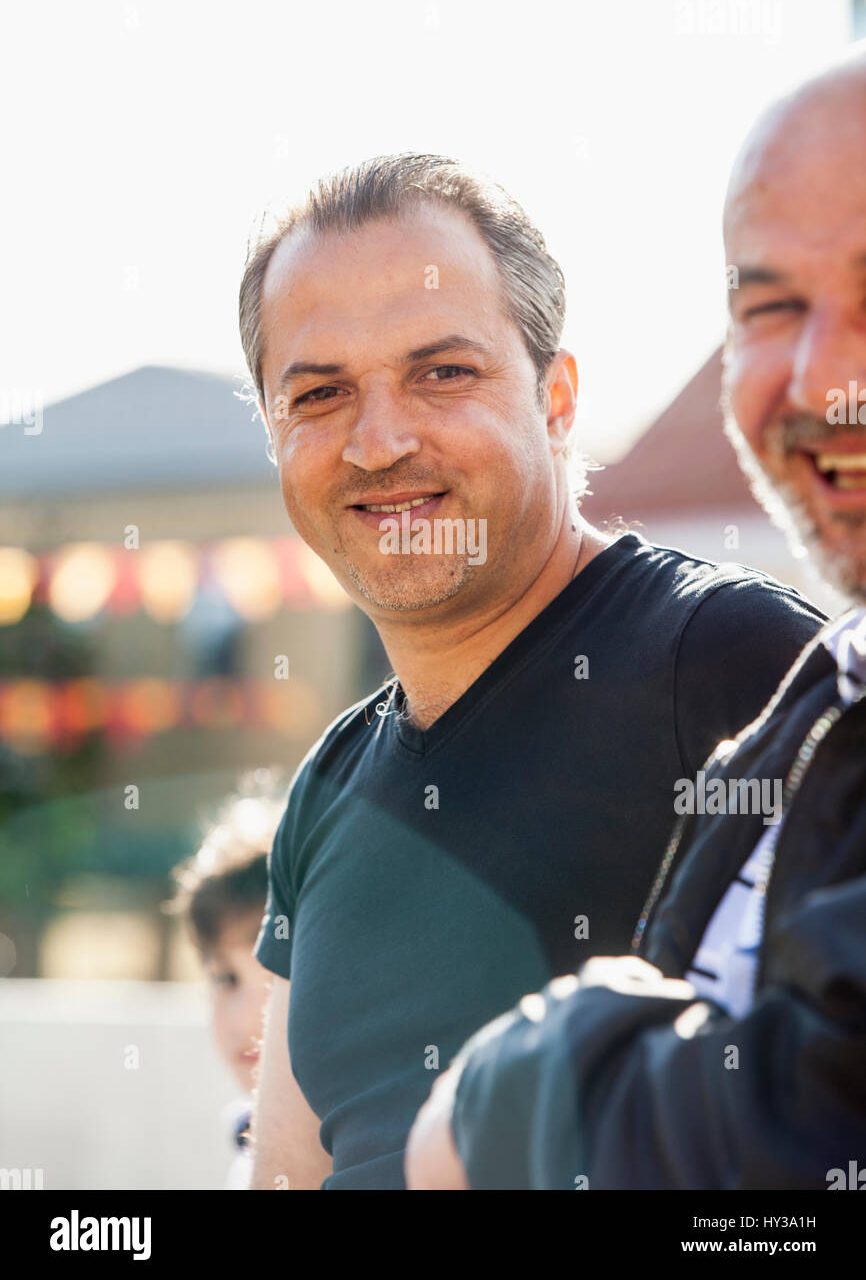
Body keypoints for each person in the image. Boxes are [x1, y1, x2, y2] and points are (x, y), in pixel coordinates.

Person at [243, 155, 825, 1190]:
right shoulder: (328, 789)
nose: (379, 442)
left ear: (555, 398)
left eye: (442, 373)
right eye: (321, 393)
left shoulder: (738, 668)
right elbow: (285, 1176)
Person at [405, 52, 866, 1190]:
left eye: (444, 374)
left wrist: (514, 1085)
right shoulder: (816, 694)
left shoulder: (721, 644)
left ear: (553, 399)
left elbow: (817, 1128)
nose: (819, 377)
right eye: (770, 307)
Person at [169, 771, 282, 1189]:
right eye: (226, 978)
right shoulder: (248, 1141)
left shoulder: (344, 1156)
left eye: (277, 982)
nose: (249, 1018)